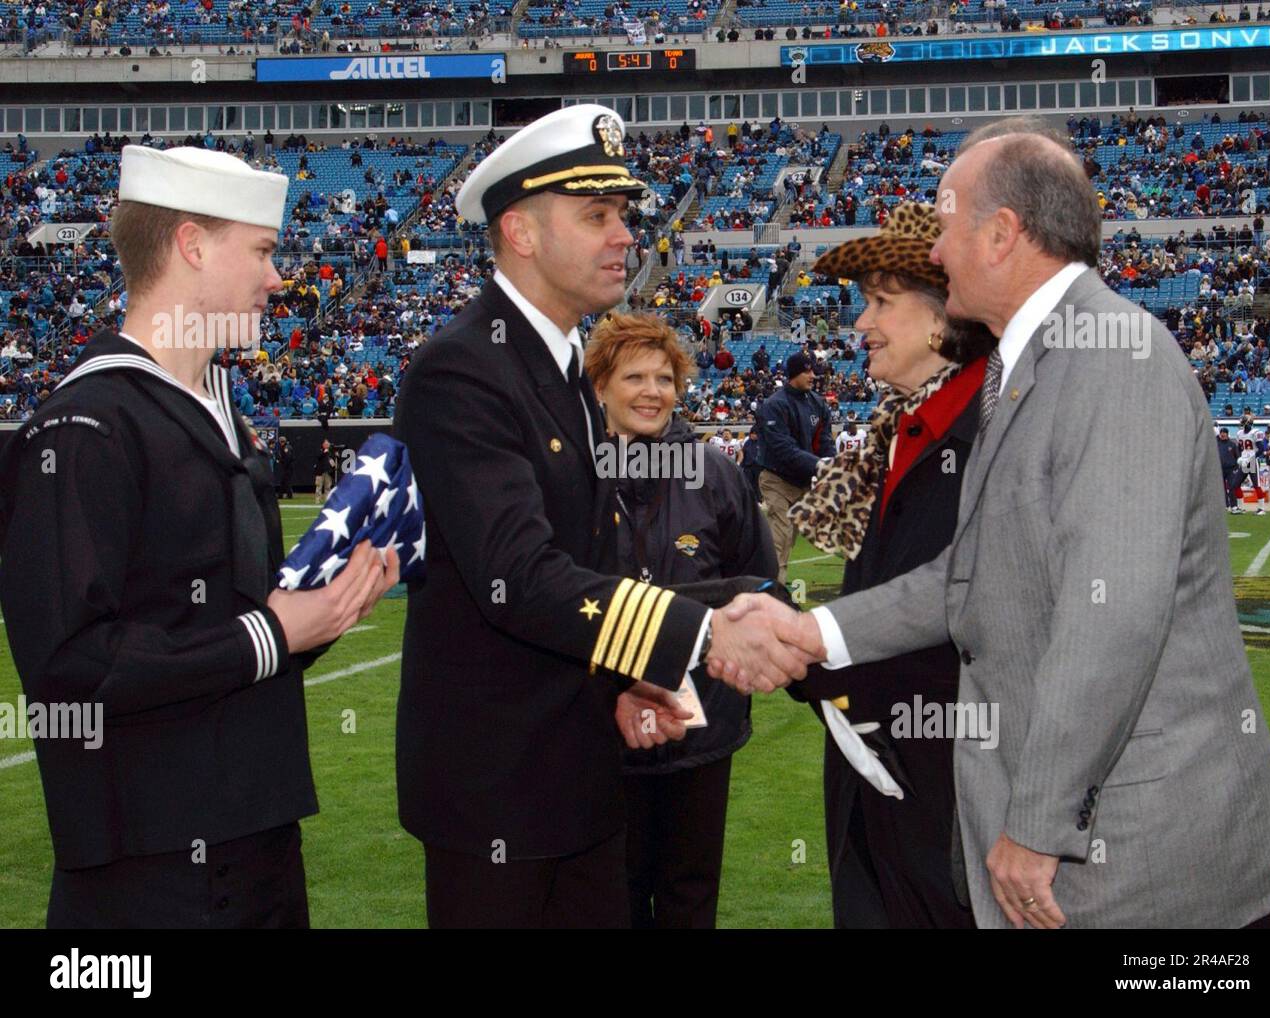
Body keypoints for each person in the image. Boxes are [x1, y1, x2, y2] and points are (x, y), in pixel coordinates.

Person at [723, 118, 1270, 928]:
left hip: (1141, 867)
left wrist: (1036, 823)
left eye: (947, 224)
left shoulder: (1114, 360)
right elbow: (973, 573)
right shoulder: (1028, 370)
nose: (934, 251)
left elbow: (1116, 616)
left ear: (1001, 235)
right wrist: (813, 635)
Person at [392, 105, 819, 930]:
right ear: (518, 230)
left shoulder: (558, 370)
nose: (625, 234)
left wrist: (624, 683)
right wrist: (702, 634)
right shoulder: (462, 370)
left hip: (580, 768)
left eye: (622, 214)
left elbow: (586, 570)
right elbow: (520, 578)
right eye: (597, 216)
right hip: (500, 798)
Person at [0, 145, 396, 929]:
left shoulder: (221, 421)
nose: (278, 276)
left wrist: (315, 616)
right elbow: (70, 668)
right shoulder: (87, 424)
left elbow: (219, 635)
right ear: (191, 244)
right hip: (148, 873)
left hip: (253, 843)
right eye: (261, 249)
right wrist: (271, 632)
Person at [786, 202, 995, 928]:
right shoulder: (901, 426)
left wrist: (801, 650)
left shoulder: (991, 433)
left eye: (880, 302)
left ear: (943, 317)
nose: (860, 325)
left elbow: (957, 613)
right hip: (880, 770)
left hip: (943, 785)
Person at [585, 311, 778, 929]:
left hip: (702, 726)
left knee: (689, 895)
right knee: (609, 894)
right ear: (600, 388)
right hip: (601, 727)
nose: (652, 391)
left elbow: (758, 583)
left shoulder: (716, 473)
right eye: (634, 376)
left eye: (664, 378)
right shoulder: (572, 478)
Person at [753, 352, 833, 583]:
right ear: (794, 374)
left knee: (789, 538)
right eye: (807, 371)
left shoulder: (817, 403)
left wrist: (832, 462)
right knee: (780, 536)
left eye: (813, 370)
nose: (812, 375)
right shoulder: (774, 405)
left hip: (803, 481)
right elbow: (783, 449)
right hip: (777, 478)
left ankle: (769, 585)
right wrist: (819, 464)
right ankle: (771, 594)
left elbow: (824, 439)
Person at [314, 439, 336, 503]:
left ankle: (327, 500)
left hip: (328, 471)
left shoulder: (330, 452)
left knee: (328, 487)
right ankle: (317, 500)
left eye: (328, 444)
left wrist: (337, 456)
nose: (327, 445)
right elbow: (318, 456)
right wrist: (324, 452)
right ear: (323, 444)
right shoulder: (320, 450)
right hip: (320, 472)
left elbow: (333, 461)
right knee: (319, 487)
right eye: (326, 444)